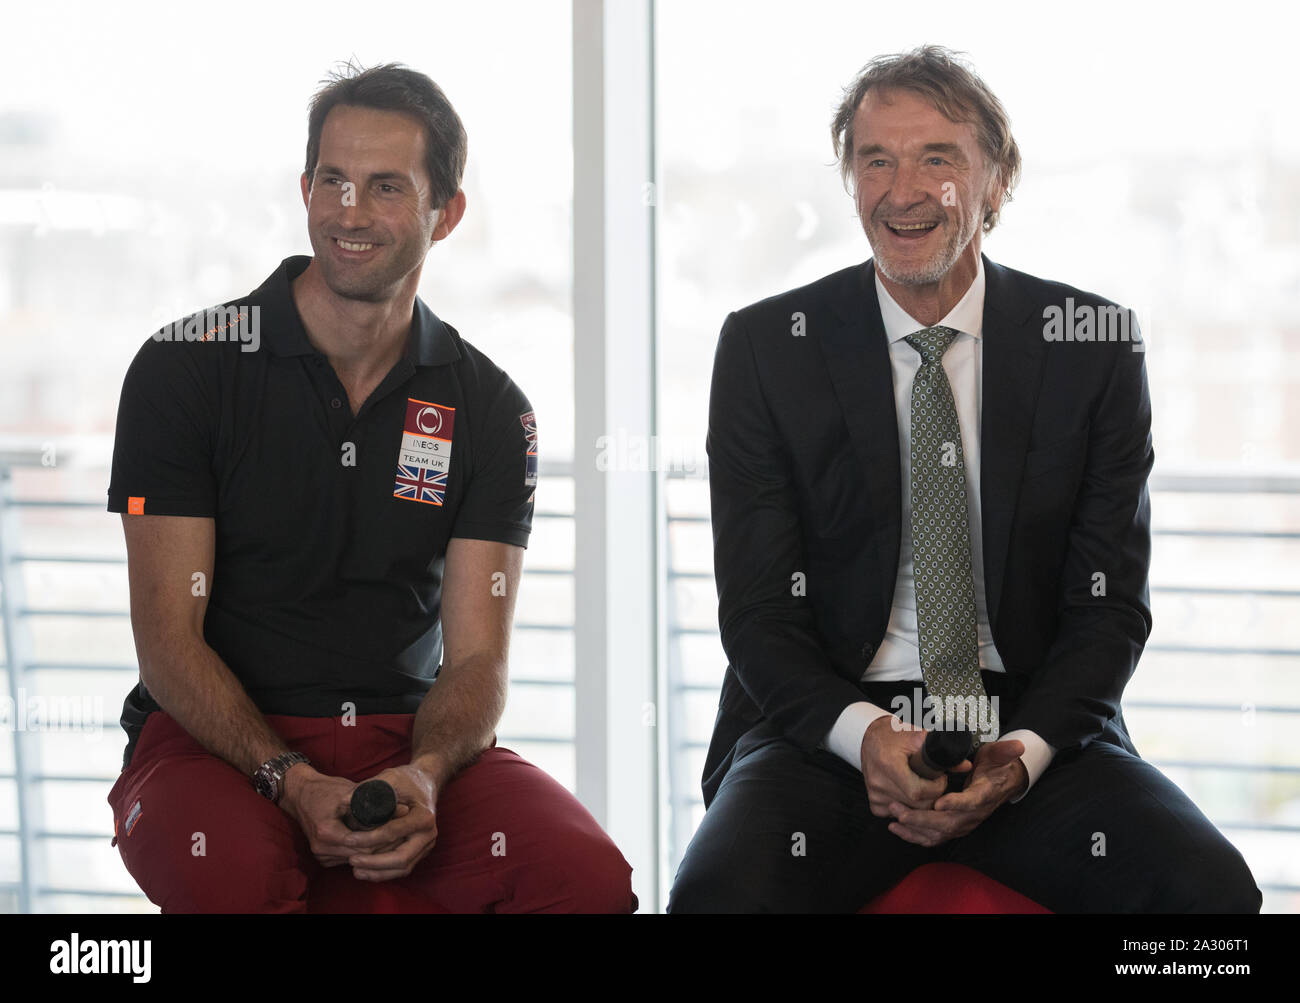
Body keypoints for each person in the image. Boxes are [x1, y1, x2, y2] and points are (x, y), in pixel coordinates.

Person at [668, 45, 1261, 913]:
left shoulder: (1091, 346)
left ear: (996, 181)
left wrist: (1019, 754)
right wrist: (865, 737)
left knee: (1210, 907)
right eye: (876, 160)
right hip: (826, 727)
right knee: (719, 902)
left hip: (1028, 718)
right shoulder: (766, 348)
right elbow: (757, 612)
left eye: (937, 159)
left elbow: (1109, 610)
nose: (903, 191)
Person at [105, 62, 635, 913]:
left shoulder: (491, 408)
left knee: (585, 879)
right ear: (306, 186)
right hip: (209, 740)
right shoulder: (184, 370)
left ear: (446, 212)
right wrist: (289, 778)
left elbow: (475, 662)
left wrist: (425, 774)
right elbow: (168, 642)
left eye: (386, 187)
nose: (350, 212)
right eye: (334, 181)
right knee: (232, 875)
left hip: (402, 741)